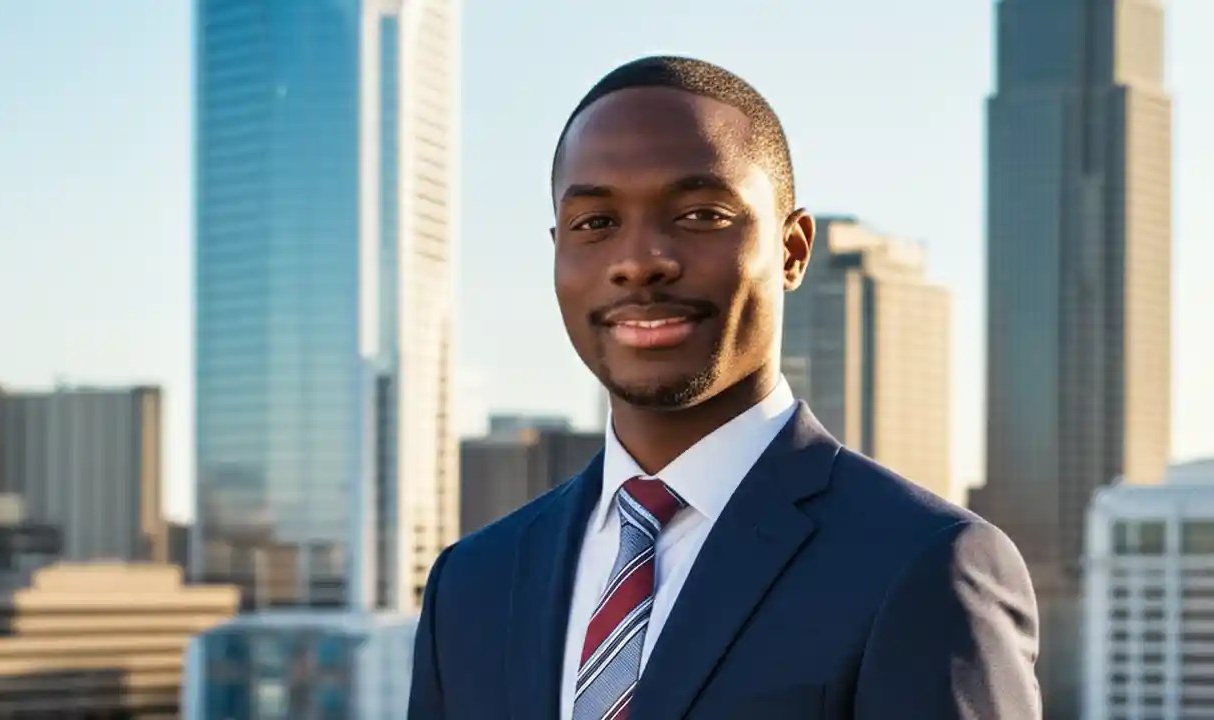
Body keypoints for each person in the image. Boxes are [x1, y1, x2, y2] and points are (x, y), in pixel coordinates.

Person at [409, 55, 1040, 720]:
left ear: (792, 251)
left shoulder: (926, 566)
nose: (639, 261)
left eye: (700, 214)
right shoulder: (473, 584)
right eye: (595, 224)